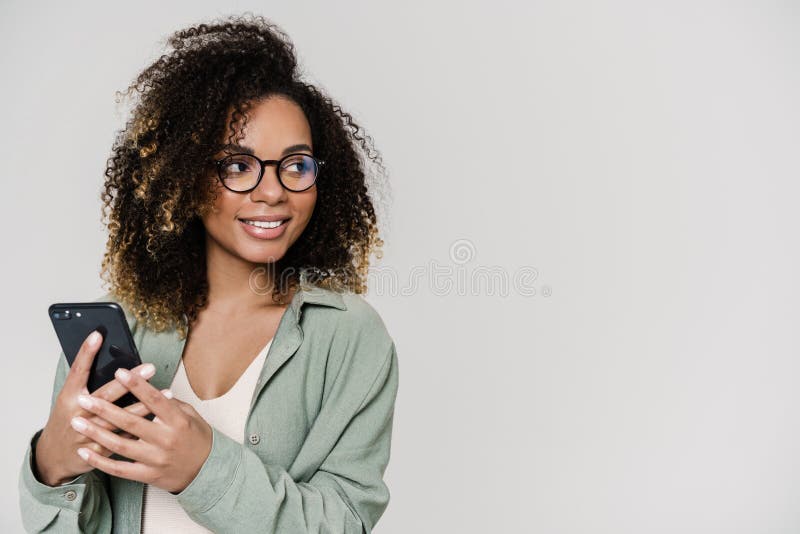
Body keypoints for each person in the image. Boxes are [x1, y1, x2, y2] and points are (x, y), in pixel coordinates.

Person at [18, 13, 399, 533]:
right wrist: (51, 466)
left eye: (296, 165)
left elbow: (346, 522)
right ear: (185, 176)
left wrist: (203, 470)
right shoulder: (120, 330)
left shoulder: (348, 336)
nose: (273, 191)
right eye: (238, 165)